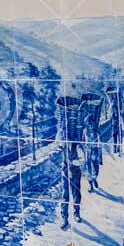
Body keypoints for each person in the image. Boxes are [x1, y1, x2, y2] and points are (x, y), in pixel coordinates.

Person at [56, 93, 85, 226]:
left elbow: (82, 158)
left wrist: (75, 162)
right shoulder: (61, 139)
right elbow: (58, 144)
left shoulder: (77, 142)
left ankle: (76, 213)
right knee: (64, 193)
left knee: (76, 192)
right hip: (64, 168)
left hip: (75, 170)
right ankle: (64, 218)